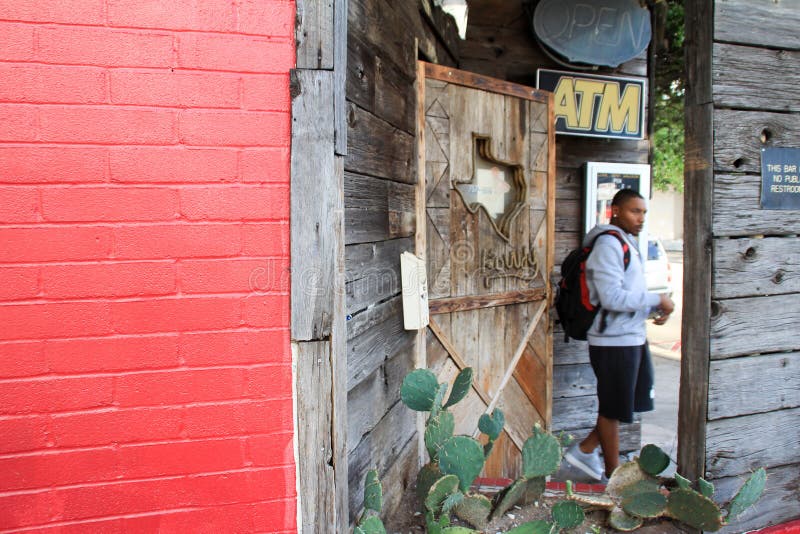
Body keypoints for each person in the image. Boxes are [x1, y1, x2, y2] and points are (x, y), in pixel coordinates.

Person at [563, 188, 674, 482]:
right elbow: (611, 297)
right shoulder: (608, 245)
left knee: (628, 403)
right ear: (615, 211)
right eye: (634, 211)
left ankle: (585, 450)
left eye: (643, 212)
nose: (640, 218)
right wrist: (657, 299)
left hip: (631, 335)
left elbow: (629, 294)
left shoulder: (626, 242)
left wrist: (653, 310)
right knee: (612, 408)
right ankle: (613, 476)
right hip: (611, 340)